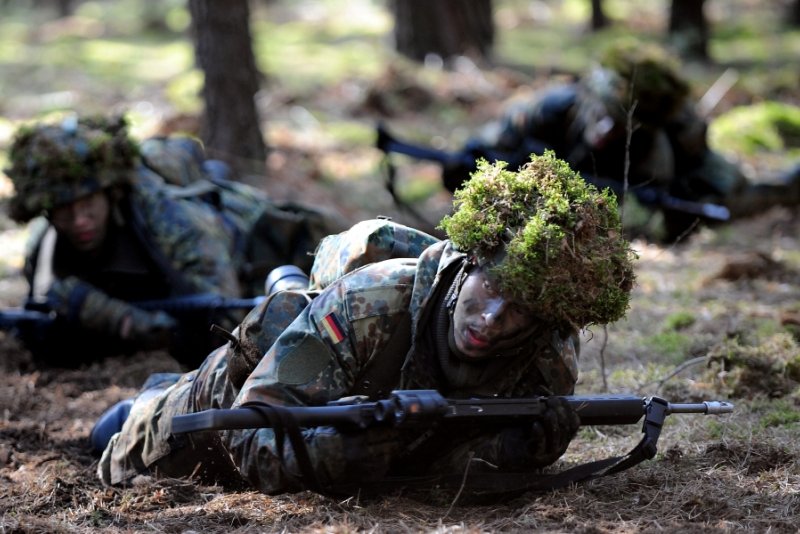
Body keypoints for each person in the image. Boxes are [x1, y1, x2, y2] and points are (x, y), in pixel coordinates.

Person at [92, 152, 637, 498]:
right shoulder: (369, 304)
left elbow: (436, 464)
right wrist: (333, 455)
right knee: (122, 448)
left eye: (521, 311)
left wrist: (517, 455)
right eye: (491, 290)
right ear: (469, 262)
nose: (493, 321)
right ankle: (141, 401)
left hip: (329, 401)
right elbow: (246, 429)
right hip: (225, 401)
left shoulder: (547, 361)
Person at [3, 114, 342, 367]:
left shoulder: (172, 223)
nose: (79, 220)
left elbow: (225, 329)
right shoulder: (45, 249)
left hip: (275, 254)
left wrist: (109, 315)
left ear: (111, 193)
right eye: (64, 210)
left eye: (88, 202)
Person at [441, 39, 800, 242]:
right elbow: (493, 145)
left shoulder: (663, 141)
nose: (604, 132)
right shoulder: (552, 108)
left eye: (619, 125)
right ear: (588, 103)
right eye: (601, 118)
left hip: (680, 181)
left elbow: (645, 221)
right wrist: (464, 168)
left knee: (731, 199)